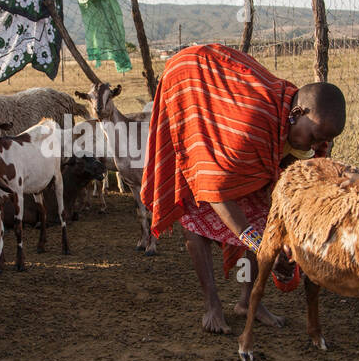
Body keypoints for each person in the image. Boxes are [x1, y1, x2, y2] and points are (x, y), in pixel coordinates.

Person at [140, 42, 346, 336]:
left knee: (263, 215)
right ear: (297, 112)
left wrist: (280, 245)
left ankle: (249, 301)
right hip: (189, 85)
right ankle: (211, 304)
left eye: (319, 142)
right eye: (313, 138)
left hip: (233, 123)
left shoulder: (297, 125)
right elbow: (216, 190)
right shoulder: (253, 125)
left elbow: (279, 187)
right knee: (196, 212)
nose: (314, 147)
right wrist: (262, 247)